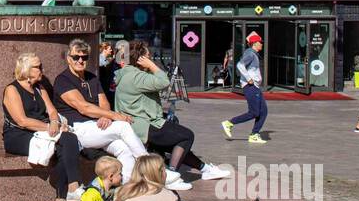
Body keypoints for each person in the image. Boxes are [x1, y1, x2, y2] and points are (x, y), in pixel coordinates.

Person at [53, 39, 181, 187]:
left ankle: (126, 187)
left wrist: (105, 115)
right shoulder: (63, 80)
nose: (80, 61)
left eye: (84, 57)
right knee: (122, 126)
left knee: (124, 148)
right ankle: (153, 170)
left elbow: (104, 103)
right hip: (77, 130)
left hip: (97, 128)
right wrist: (113, 116)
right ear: (69, 58)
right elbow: (83, 107)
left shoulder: (92, 77)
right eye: (76, 57)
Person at [116, 41, 231, 182]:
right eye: (148, 57)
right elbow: (163, 82)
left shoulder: (130, 74)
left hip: (140, 122)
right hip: (143, 125)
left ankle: (205, 169)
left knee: (177, 143)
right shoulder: (136, 76)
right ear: (141, 60)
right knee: (186, 136)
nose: (150, 59)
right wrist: (152, 66)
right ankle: (170, 176)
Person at [2, 52, 84, 201]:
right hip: (18, 135)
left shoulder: (39, 88)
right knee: (65, 141)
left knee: (67, 141)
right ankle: (69, 192)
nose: (42, 70)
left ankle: (64, 197)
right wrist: (49, 127)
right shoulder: (12, 89)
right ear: (26, 69)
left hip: (44, 131)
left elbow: (52, 111)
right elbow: (22, 121)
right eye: (38, 67)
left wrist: (55, 122)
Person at [222, 33, 268, 144]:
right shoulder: (250, 54)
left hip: (255, 87)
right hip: (250, 87)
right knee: (254, 112)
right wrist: (248, 79)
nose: (262, 44)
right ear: (255, 44)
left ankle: (254, 135)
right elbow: (239, 65)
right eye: (260, 42)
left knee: (263, 111)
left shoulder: (253, 53)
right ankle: (229, 123)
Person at [97, 42, 118, 108]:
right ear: (104, 49)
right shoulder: (100, 59)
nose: (111, 50)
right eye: (110, 49)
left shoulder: (105, 59)